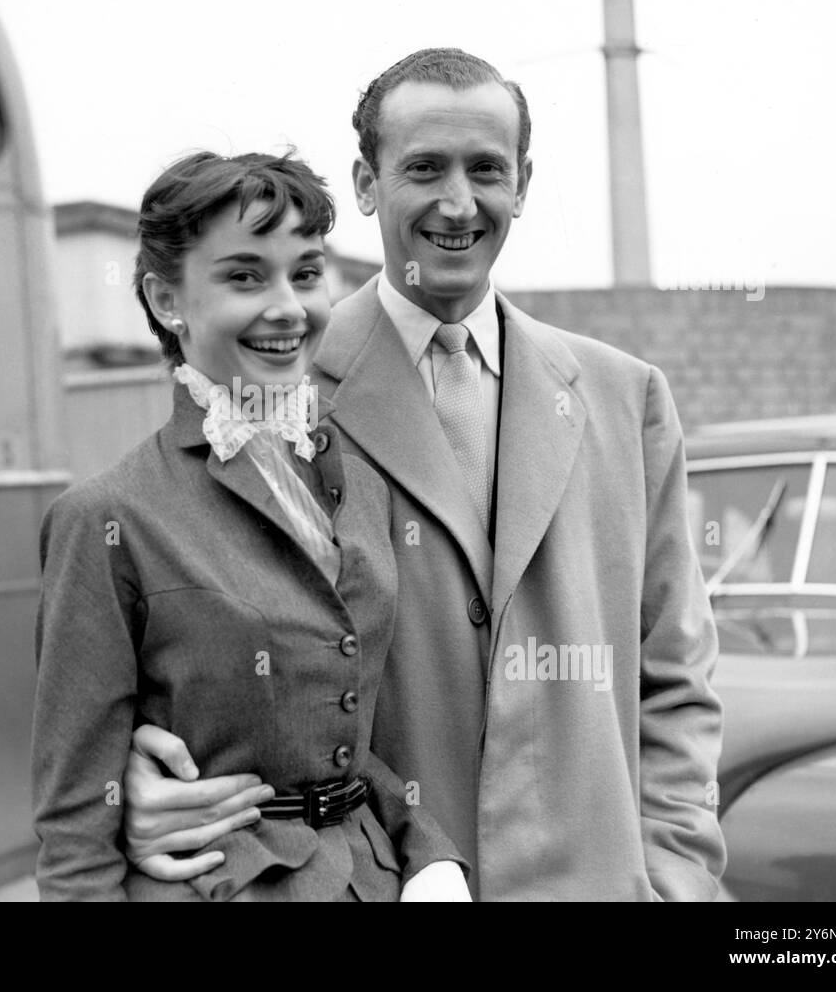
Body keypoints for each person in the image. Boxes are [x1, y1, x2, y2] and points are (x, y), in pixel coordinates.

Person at [120, 49, 727, 901]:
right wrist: (136, 778)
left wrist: (675, 874)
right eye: (423, 169)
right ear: (367, 184)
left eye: (486, 170)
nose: (457, 203)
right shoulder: (260, 385)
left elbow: (677, 676)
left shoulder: (628, 398)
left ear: (522, 183)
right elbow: (179, 641)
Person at [31, 150, 471, 901]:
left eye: (304, 273)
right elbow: (76, 832)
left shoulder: (360, 480)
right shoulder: (105, 518)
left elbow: (349, 741)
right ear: (167, 300)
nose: (288, 307)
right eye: (244, 276)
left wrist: (427, 850)